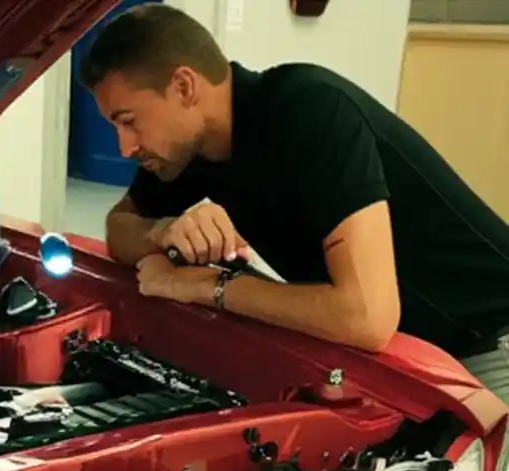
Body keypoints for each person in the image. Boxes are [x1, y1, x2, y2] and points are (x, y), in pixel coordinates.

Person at [78, 3, 509, 404]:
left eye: (128, 121)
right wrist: (163, 230)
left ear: (184, 86)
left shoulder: (309, 109)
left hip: (489, 341)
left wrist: (203, 285)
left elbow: (366, 316)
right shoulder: (189, 152)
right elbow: (119, 227)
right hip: (408, 356)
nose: (124, 147)